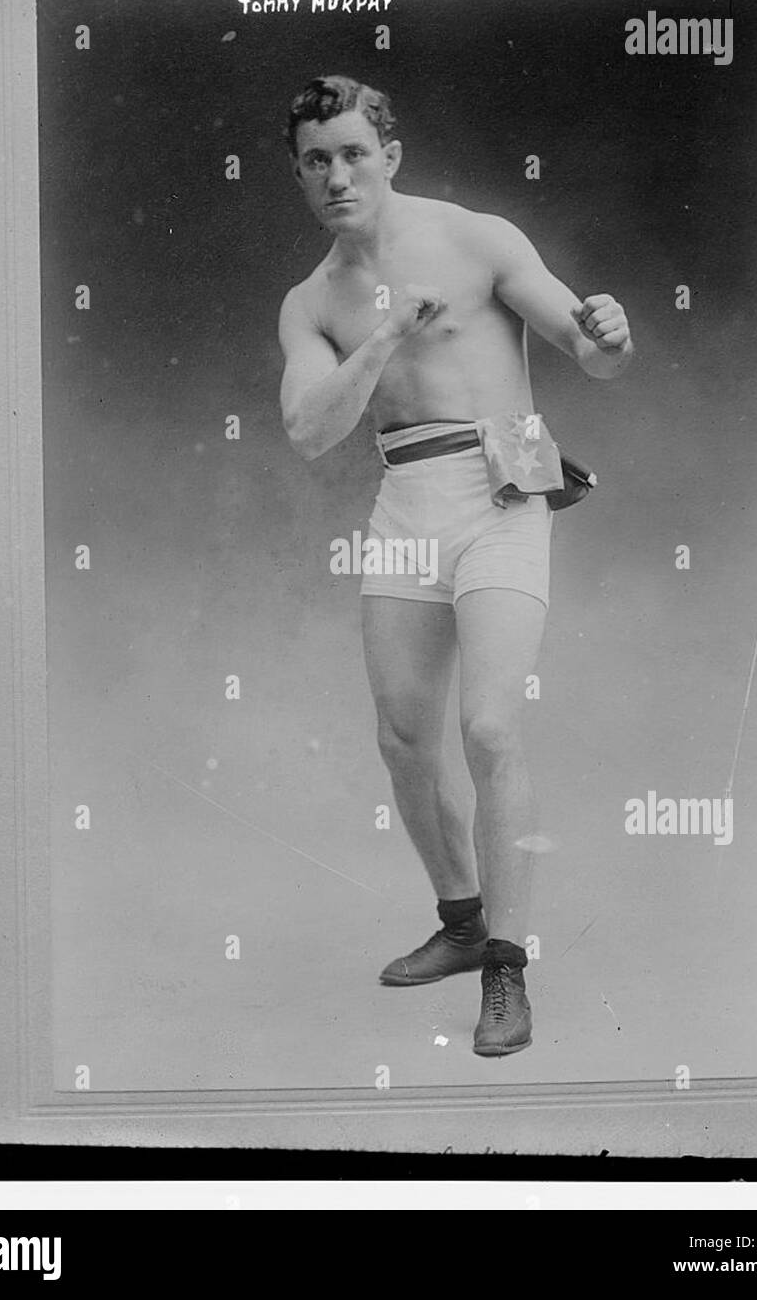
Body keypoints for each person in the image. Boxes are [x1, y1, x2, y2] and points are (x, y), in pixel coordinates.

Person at [278, 76, 632, 1055]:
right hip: (405, 505)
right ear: (299, 174)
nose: (338, 174)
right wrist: (384, 333)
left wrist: (608, 338)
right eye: (317, 159)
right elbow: (311, 430)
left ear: (389, 153)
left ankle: (508, 966)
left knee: (486, 723)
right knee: (401, 734)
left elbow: (583, 345)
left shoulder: (479, 238)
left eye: (353, 151)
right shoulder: (311, 302)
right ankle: (463, 917)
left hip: (504, 492)